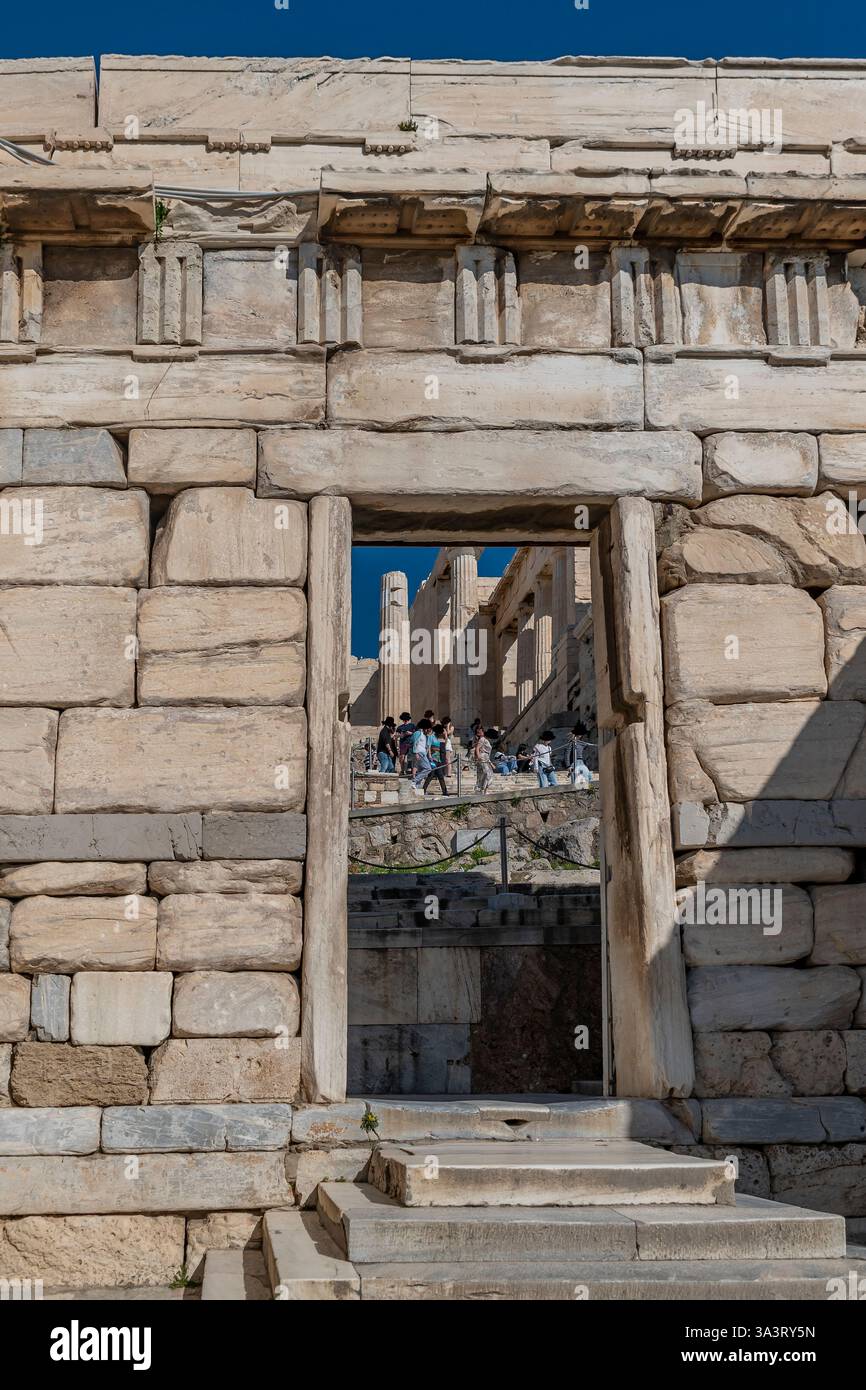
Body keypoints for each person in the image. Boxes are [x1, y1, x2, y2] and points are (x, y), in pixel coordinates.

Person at [424, 722, 450, 796]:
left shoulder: (440, 738)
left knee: (440, 775)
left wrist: (445, 735)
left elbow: (445, 745)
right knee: (431, 775)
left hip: (439, 758)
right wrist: (429, 756)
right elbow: (428, 746)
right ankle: (423, 789)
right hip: (433, 758)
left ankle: (445, 792)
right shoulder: (431, 737)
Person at [411, 718, 434, 792]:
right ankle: (414, 781)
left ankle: (416, 787)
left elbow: (427, 745)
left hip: (423, 753)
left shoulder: (424, 735)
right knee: (428, 768)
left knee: (421, 770)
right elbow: (415, 743)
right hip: (419, 753)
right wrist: (416, 753)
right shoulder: (417, 733)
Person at [569, 721, 592, 789]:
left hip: (581, 761)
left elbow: (585, 745)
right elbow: (567, 754)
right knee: (576, 777)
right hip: (574, 762)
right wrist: (568, 766)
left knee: (588, 774)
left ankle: (586, 788)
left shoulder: (582, 743)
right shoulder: (572, 743)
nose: (580, 736)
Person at [473, 724, 494, 794]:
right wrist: (478, 757)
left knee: (484, 774)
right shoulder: (482, 739)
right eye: (479, 731)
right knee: (487, 774)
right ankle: (482, 789)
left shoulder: (483, 739)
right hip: (482, 758)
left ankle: (483, 790)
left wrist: (491, 763)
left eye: (481, 731)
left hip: (485, 758)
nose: (480, 732)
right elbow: (477, 748)